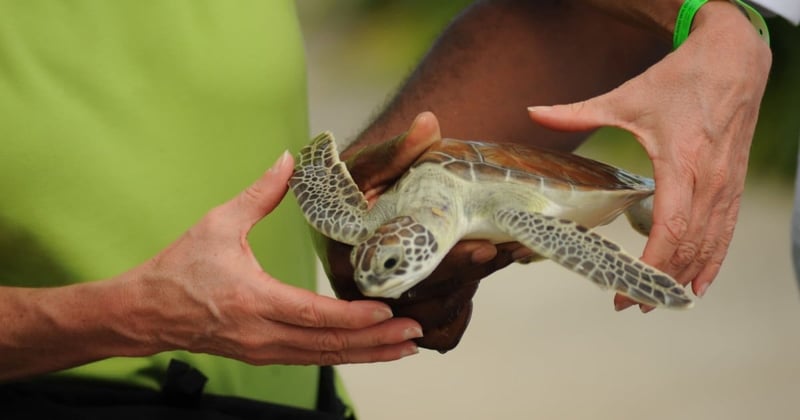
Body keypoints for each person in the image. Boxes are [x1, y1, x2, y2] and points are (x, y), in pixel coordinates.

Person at [0, 0, 780, 418]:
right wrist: (130, 316)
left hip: (297, 407)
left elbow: (560, 19)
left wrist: (709, 16)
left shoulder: (356, 211)